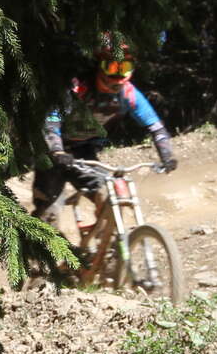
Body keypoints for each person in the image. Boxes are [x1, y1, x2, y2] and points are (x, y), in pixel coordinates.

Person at [31, 32, 179, 225]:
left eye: (124, 67)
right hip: (52, 156)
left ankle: (110, 244)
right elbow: (52, 120)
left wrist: (167, 156)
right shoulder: (77, 88)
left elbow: (156, 127)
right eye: (112, 66)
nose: (118, 75)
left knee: (108, 194)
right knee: (48, 214)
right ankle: (45, 252)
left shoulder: (128, 93)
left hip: (84, 152)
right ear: (99, 66)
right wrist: (57, 150)